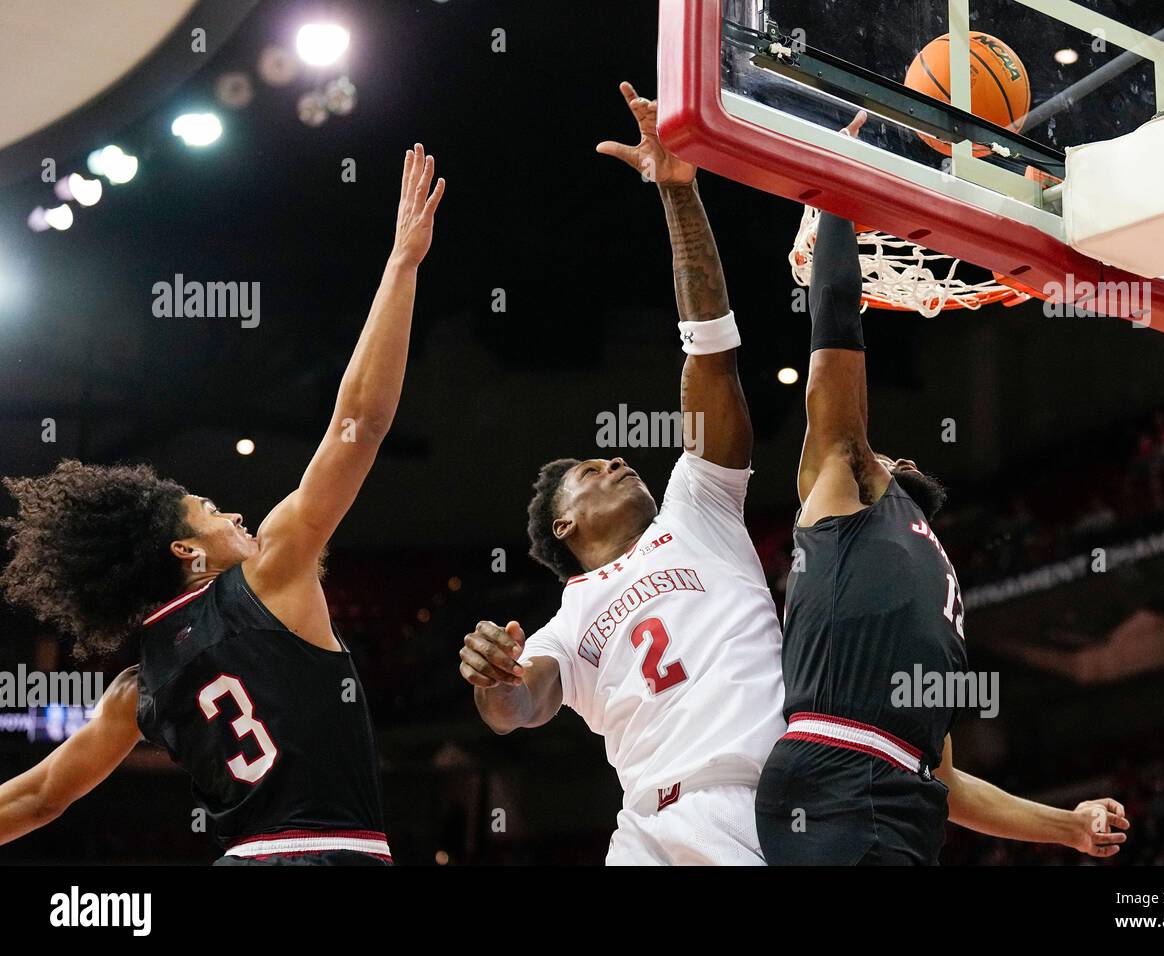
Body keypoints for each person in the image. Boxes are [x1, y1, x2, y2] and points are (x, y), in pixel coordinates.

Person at [0, 145, 445, 865]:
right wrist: (401, 267)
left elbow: (39, 798)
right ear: (186, 550)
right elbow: (356, 425)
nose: (234, 515)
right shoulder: (271, 572)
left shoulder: (137, 686)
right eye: (210, 510)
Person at [755, 114, 1129, 865]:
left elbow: (950, 779)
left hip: (903, 790)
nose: (894, 451)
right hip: (837, 777)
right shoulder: (849, 481)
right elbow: (834, 331)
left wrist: (1068, 826)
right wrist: (839, 189)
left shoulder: (931, 573)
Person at [458, 83, 784, 865]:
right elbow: (518, 708)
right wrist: (492, 678)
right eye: (590, 471)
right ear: (564, 526)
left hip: (749, 800)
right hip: (642, 824)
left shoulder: (696, 507)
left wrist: (677, 196)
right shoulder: (566, 625)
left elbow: (710, 352)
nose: (615, 459)